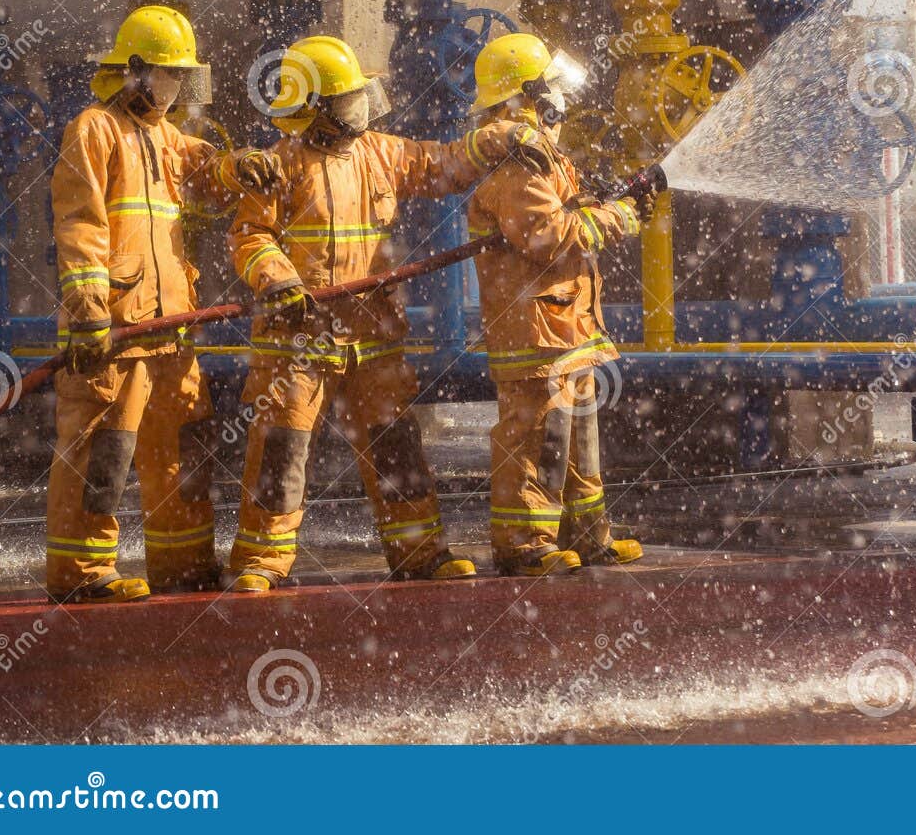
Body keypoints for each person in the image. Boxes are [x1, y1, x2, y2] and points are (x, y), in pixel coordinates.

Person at [224, 34, 541, 592]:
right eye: (347, 101)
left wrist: (500, 137)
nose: (360, 110)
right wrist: (279, 279)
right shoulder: (279, 165)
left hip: (373, 337)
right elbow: (250, 237)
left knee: (396, 444)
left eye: (359, 98)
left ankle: (419, 552)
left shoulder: (379, 152)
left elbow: (443, 164)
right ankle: (260, 563)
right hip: (300, 341)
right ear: (315, 107)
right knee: (283, 449)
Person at [47, 4, 285, 603]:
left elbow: (205, 171)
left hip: (170, 331)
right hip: (117, 331)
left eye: (183, 76)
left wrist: (239, 168)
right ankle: (84, 574)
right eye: (169, 74)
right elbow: (80, 225)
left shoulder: (164, 136)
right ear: (134, 70)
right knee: (104, 451)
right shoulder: (94, 129)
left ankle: (182, 563)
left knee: (184, 450)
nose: (176, 87)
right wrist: (89, 311)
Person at [467, 33, 652, 577]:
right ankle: (525, 545)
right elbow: (544, 235)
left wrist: (609, 201)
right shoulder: (518, 162)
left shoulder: (540, 152)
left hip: (564, 324)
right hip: (533, 329)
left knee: (578, 438)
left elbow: (563, 217)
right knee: (534, 439)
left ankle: (587, 535)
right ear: (525, 95)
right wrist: (618, 217)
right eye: (548, 86)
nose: (559, 99)